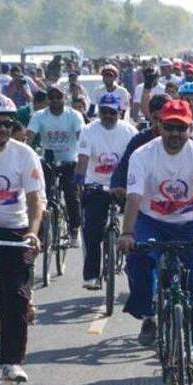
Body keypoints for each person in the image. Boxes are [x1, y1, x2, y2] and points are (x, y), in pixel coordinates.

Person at [118, 100, 193, 385]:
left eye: (180, 128)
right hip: (152, 222)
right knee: (137, 261)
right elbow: (134, 197)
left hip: (191, 224)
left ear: (191, 128)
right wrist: (127, 233)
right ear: (159, 125)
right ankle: (148, 314)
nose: (174, 133)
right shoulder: (142, 154)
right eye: (169, 127)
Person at [0, 95, 45, 384]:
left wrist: (32, 232)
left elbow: (34, 200)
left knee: (15, 297)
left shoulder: (24, 154)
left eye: (8, 124)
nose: (3, 129)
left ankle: (11, 363)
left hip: (14, 228)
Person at [75, 94, 137, 290]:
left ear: (119, 112)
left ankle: (136, 274)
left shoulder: (130, 131)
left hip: (124, 186)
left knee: (139, 228)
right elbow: (83, 159)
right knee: (92, 230)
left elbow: (137, 161)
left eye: (112, 112)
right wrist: (79, 182)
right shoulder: (88, 130)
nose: (108, 116)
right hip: (97, 185)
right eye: (104, 112)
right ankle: (92, 275)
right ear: (99, 112)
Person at [27, 86, 86, 245]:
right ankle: (41, 232)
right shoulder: (39, 116)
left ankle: (74, 230)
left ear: (64, 98)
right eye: (51, 97)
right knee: (42, 196)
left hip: (70, 161)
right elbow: (29, 137)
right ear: (48, 100)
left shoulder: (74, 115)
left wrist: (83, 159)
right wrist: (25, 154)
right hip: (48, 161)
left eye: (58, 97)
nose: (55, 100)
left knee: (71, 195)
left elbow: (82, 138)